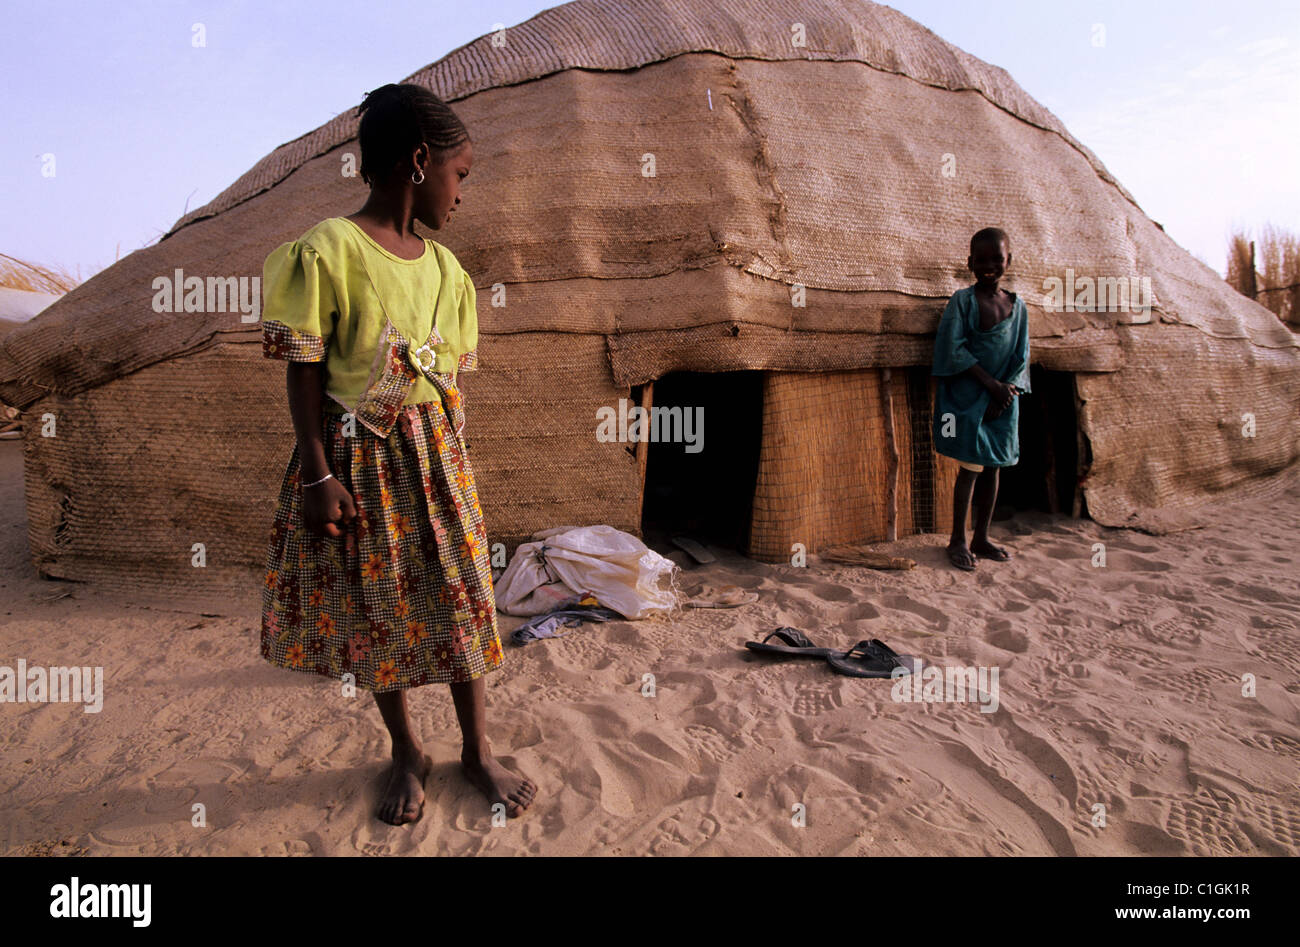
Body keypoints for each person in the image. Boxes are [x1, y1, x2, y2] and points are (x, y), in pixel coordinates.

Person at [259, 82, 537, 825]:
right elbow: (306, 370)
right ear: (419, 162)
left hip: (438, 463)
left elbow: (448, 384)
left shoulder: (448, 273)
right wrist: (317, 472)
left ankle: (477, 748)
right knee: (382, 608)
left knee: (464, 602)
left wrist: (455, 463)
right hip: (360, 463)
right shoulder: (329, 250)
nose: (463, 192)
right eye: (462, 174)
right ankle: (406, 748)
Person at [931, 227, 1031, 571]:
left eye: (997, 259)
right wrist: (990, 386)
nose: (989, 266)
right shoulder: (963, 301)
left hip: (1003, 399)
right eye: (982, 260)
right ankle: (958, 539)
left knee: (994, 468)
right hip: (973, 396)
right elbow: (952, 348)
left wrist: (1006, 391)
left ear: (1009, 261)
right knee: (971, 468)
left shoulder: (1017, 307)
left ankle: (982, 537)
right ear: (970, 262)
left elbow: (1021, 356)